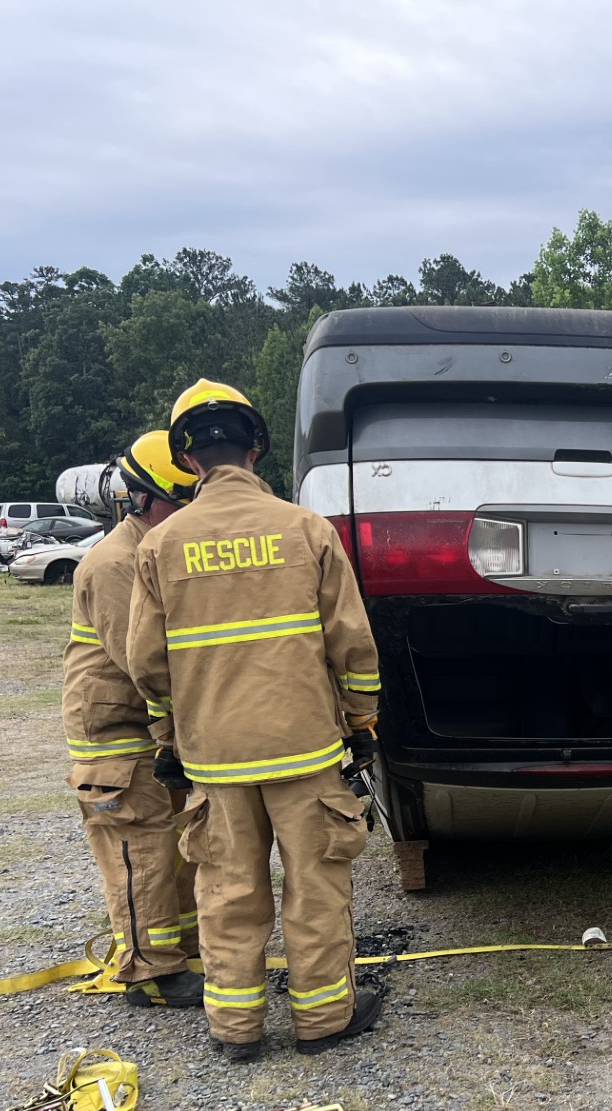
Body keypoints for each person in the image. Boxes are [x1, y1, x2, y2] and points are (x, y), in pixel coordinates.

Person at [127, 379, 383, 1063]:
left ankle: (236, 1029)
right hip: (304, 752)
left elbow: (147, 665)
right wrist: (361, 723)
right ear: (257, 448)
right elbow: (353, 646)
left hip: (214, 758)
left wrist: (167, 739)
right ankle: (324, 1018)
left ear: (186, 458)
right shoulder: (307, 530)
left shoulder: (161, 545)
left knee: (227, 892)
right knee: (317, 886)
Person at [63, 432, 204, 1008]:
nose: (193, 514)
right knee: (140, 852)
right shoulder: (116, 564)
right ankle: (151, 973)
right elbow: (147, 663)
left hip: (156, 730)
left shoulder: (160, 551)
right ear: (141, 498)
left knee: (179, 846)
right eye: (183, 502)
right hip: (118, 735)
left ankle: (184, 951)